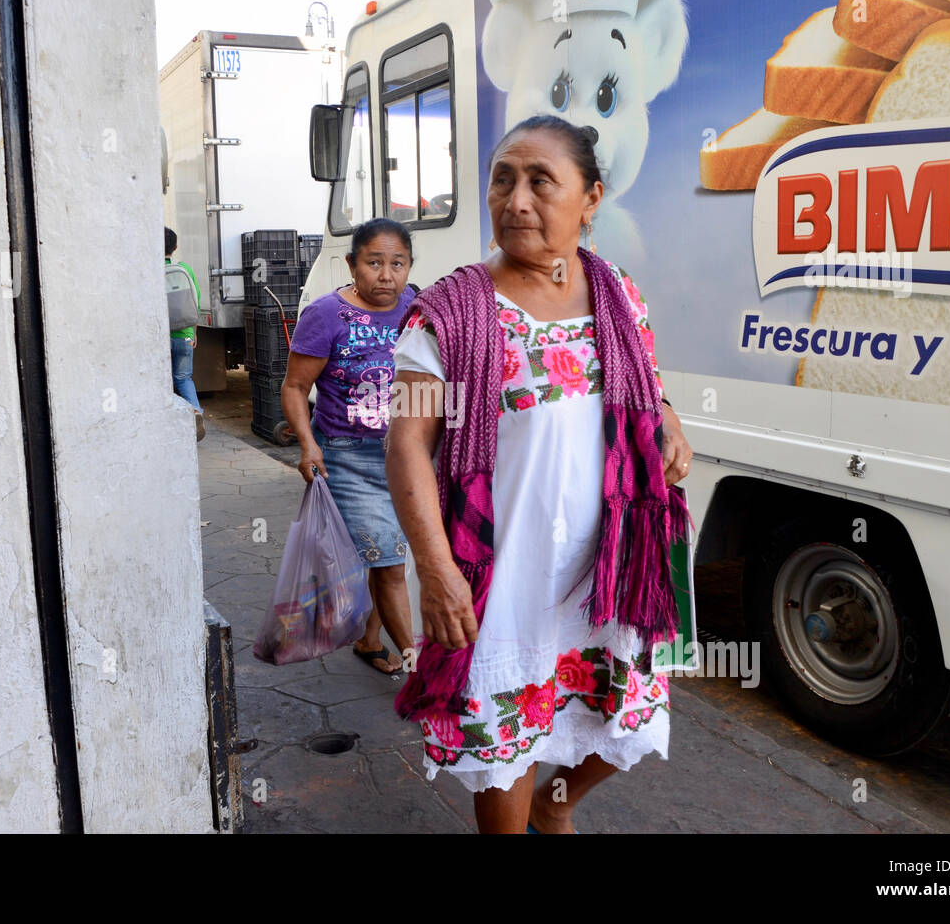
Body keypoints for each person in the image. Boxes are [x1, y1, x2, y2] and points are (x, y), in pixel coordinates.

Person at [385, 115, 694, 833]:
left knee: (622, 707)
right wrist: (435, 567)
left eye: (539, 181)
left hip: (610, 569)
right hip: (503, 572)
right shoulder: (446, 316)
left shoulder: (619, 293)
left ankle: (556, 809)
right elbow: (405, 444)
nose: (516, 200)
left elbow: (646, 382)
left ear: (591, 198)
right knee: (507, 733)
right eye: (503, 179)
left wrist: (671, 416)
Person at [281, 219, 417, 675]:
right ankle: (420, 669)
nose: (386, 275)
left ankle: (369, 640)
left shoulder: (417, 305)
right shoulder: (326, 315)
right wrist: (308, 446)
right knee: (391, 564)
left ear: (409, 266)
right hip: (348, 457)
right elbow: (296, 387)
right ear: (352, 264)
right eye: (374, 263)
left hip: (406, 456)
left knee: (387, 552)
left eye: (396, 263)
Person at [165, 226, 205, 442]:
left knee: (161, 381)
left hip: (160, 337)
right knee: (183, 378)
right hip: (185, 334)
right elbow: (195, 303)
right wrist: (194, 331)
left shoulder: (150, 269)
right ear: (176, 247)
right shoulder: (185, 269)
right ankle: (195, 412)